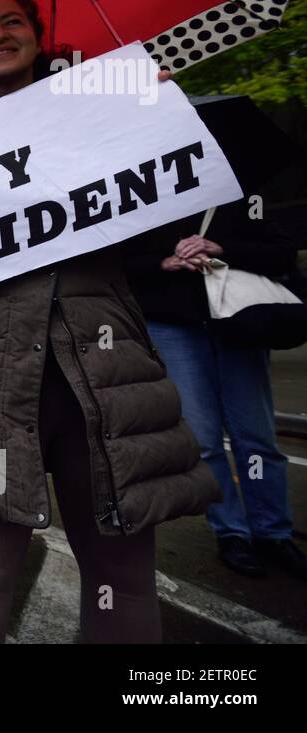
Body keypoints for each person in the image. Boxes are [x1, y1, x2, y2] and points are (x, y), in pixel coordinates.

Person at [0, 0, 219, 643]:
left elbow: (155, 230)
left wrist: (160, 117)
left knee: (120, 568)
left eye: (12, 21)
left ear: (39, 37)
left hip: (106, 372)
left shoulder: (110, 111)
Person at [127, 201, 307, 580]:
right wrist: (163, 263)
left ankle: (272, 532)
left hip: (241, 323)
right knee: (205, 441)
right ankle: (231, 533)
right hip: (174, 326)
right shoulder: (147, 194)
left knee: (255, 437)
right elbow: (120, 263)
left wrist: (220, 249)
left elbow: (282, 253)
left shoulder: (246, 199)